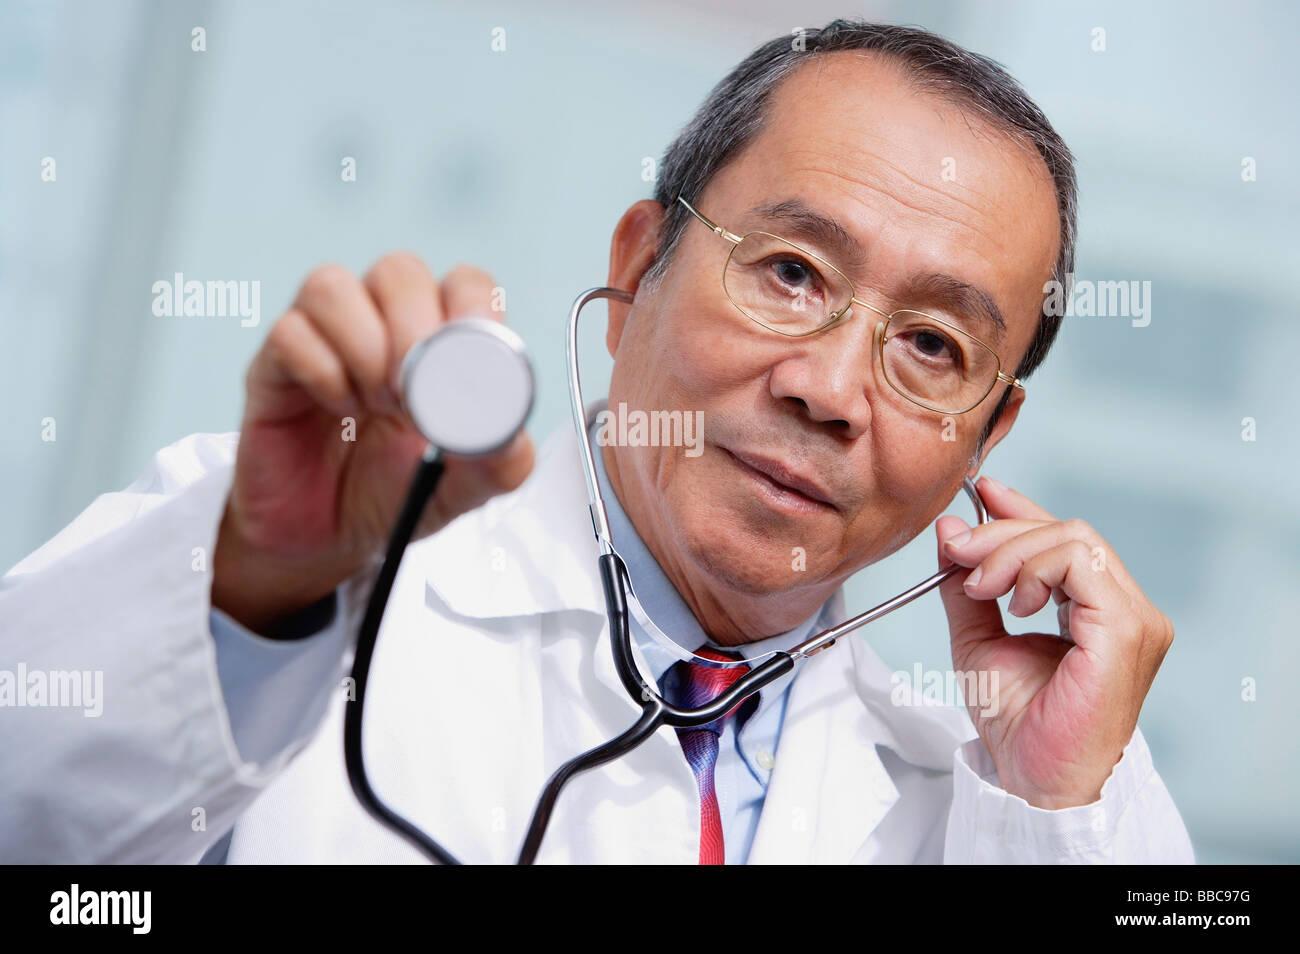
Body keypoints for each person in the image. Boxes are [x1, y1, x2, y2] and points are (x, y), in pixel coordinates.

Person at [0, 19, 1194, 864]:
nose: (832, 389)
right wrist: (253, 604)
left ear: (986, 438)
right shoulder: (279, 587)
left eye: (931, 346)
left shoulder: (987, 802)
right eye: (788, 270)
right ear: (634, 271)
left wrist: (1063, 811)